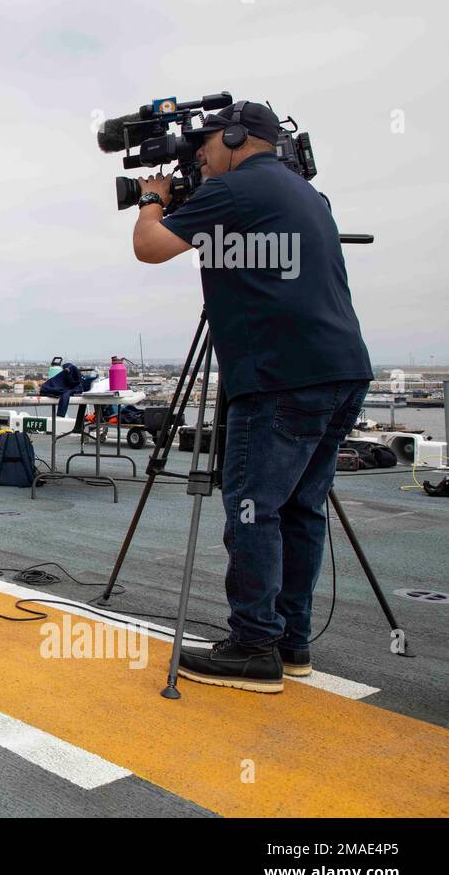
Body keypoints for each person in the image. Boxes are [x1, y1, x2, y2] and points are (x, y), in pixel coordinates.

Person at [131, 101, 373, 693]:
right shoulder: (304, 194)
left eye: (206, 146)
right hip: (340, 369)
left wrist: (153, 196)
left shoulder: (239, 189)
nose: (200, 159)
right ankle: (291, 645)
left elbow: (150, 246)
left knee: (252, 509)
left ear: (237, 137)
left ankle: (252, 648)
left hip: (279, 376)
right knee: (299, 509)